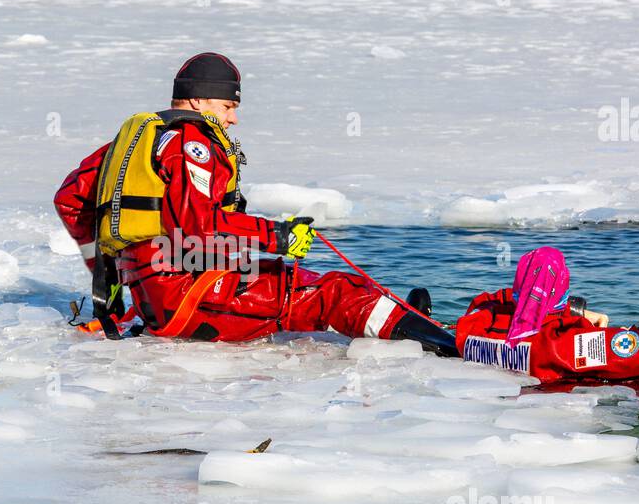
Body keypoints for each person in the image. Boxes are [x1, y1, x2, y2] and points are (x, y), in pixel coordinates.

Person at [53, 52, 457, 354]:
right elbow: (196, 229)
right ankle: (443, 346)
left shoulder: (140, 140)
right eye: (228, 106)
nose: (232, 119)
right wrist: (276, 235)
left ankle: (406, 320)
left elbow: (71, 199)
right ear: (199, 102)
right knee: (334, 293)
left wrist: (118, 272)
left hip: (161, 294)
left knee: (306, 279)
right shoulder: (191, 143)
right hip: (189, 298)